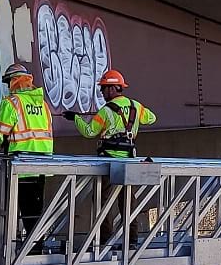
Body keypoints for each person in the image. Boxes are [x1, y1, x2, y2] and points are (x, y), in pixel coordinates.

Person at [64, 69, 156, 244]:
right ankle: (132, 240)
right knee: (128, 202)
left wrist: (76, 118)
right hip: (129, 162)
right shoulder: (136, 106)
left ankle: (105, 240)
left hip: (109, 162)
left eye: (103, 88)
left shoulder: (105, 111)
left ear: (113, 88)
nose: (102, 92)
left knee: (102, 201)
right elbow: (151, 118)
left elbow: (89, 132)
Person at [0, 63, 53, 250]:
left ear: (14, 82)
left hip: (20, 165)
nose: (8, 87)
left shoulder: (12, 103)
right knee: (33, 209)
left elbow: (0, 132)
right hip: (42, 165)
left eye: (9, 82)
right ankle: (34, 245)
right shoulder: (42, 104)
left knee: (8, 207)